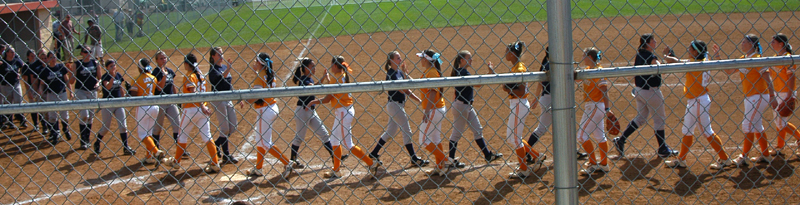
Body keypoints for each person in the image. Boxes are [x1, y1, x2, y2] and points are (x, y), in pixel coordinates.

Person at [661, 40, 731, 169]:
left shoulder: (694, 64)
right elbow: (686, 60)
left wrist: (666, 56)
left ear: (696, 52)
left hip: (698, 101)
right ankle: (681, 159)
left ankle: (724, 158)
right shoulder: (703, 60)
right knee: (687, 130)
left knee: (706, 131)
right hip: (696, 100)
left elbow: (676, 62)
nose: (688, 51)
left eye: (690, 49)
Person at [308, 56, 380, 179]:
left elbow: (327, 99)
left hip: (343, 112)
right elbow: (334, 88)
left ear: (335, 66)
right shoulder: (342, 75)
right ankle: (336, 170)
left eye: (332, 65)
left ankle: (371, 163)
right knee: (335, 141)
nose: (331, 67)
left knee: (348, 144)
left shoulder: (336, 78)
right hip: (345, 110)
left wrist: (313, 102)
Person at [612, 33, 678, 158]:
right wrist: (668, 58)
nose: (655, 42)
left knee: (640, 117)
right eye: (653, 41)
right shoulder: (651, 57)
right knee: (659, 118)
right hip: (651, 92)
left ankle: (621, 139)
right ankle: (662, 148)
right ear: (647, 43)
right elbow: (659, 68)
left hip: (639, 91)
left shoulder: (639, 55)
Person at [721, 34, 777, 166]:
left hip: (758, 96)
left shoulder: (758, 59)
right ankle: (766, 154)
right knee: (757, 126)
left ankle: (744, 156)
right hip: (750, 97)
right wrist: (718, 57)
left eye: (745, 42)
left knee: (747, 125)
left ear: (752, 44)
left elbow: (767, 78)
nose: (742, 44)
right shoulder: (743, 58)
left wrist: (772, 96)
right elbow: (729, 72)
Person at [369, 51, 431, 167]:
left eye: (400, 57)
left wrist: (419, 100)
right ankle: (413, 158)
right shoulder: (391, 74)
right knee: (407, 130)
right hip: (394, 105)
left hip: (398, 105)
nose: (400, 59)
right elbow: (402, 90)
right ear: (391, 61)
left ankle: (373, 153)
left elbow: (407, 90)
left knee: (390, 132)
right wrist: (405, 74)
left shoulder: (399, 73)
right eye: (397, 58)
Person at [525, 47, 588, 162]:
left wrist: (536, 98)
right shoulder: (550, 65)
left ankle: (572, 151)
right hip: (550, 99)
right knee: (544, 129)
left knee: (561, 126)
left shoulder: (547, 64)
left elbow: (540, 83)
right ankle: (526, 151)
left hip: (550, 99)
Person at [161, 54, 220, 173]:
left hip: (191, 109)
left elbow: (193, 92)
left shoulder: (189, 75)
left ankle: (176, 162)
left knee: (182, 135)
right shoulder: (201, 76)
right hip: (202, 110)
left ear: (187, 64)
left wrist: (201, 105)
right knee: (207, 136)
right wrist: (203, 106)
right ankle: (215, 163)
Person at [445, 50, 503, 168]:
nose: (471, 60)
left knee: (478, 130)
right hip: (462, 106)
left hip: (466, 106)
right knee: (456, 134)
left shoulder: (460, 71)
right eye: (468, 58)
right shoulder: (463, 72)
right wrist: (489, 73)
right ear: (462, 60)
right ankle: (450, 159)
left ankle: (487, 155)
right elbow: (478, 84)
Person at [495, 41, 545, 178]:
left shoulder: (519, 69)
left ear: (512, 54)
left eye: (507, 51)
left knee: (514, 138)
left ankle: (524, 169)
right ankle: (536, 155)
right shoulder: (516, 67)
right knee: (514, 137)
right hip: (517, 104)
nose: (505, 54)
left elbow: (521, 91)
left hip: (519, 104)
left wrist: (507, 88)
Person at [242, 53, 295, 177]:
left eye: (256, 61)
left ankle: (287, 162)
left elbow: (256, 96)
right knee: (260, 140)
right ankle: (259, 168)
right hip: (270, 108)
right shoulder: (269, 74)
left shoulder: (260, 76)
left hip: (264, 110)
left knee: (264, 142)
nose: (254, 63)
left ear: (260, 63)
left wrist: (244, 100)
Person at [289, 57, 340, 168]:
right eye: (312, 66)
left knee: (324, 134)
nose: (314, 68)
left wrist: (323, 78)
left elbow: (315, 84)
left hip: (311, 111)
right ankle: (292, 160)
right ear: (306, 68)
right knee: (299, 138)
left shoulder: (309, 78)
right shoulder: (303, 80)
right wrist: (325, 78)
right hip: (302, 111)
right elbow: (313, 87)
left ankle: (334, 156)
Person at [576, 47, 613, 174]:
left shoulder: (598, 71)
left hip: (595, 106)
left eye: (584, 56)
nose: (582, 58)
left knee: (581, 136)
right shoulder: (588, 70)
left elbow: (604, 92)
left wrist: (608, 110)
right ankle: (603, 164)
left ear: (590, 57)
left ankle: (592, 163)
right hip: (593, 107)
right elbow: (576, 78)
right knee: (599, 136)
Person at [415, 49, 449, 176]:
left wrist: (427, 110)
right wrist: (406, 75)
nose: (420, 60)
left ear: (426, 59)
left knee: (423, 140)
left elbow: (433, 92)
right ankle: (440, 166)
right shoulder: (429, 72)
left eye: (421, 58)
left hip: (434, 109)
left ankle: (446, 161)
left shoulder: (432, 72)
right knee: (435, 138)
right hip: (437, 108)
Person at [128, 58, 166, 165]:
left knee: (142, 135)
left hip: (143, 107)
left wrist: (129, 91)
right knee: (149, 133)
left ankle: (156, 152)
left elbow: (134, 94)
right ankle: (149, 157)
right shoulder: (153, 78)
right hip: (154, 107)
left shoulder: (137, 79)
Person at [94, 60, 135, 155]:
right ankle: (97, 142)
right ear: (107, 68)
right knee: (106, 127)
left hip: (118, 103)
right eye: (111, 66)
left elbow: (120, 87)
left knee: (123, 126)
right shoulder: (105, 77)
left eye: (114, 65)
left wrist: (123, 96)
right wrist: (112, 76)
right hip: (107, 104)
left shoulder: (119, 75)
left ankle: (126, 147)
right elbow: (108, 87)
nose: (113, 67)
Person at [208, 47, 240, 164]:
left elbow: (228, 83)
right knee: (225, 128)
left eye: (222, 54)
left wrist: (236, 97)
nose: (221, 56)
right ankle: (226, 154)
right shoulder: (213, 70)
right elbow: (219, 80)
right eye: (218, 54)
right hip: (218, 100)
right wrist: (228, 69)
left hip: (228, 99)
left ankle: (216, 144)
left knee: (233, 126)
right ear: (213, 56)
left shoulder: (224, 67)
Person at [769, 33, 800, 156]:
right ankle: (780, 145)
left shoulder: (788, 58)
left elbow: (791, 77)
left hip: (786, 92)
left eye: (773, 42)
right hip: (777, 92)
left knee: (781, 122)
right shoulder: (775, 57)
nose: (771, 44)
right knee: (779, 120)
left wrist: (789, 95)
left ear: (781, 44)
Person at [151, 51, 182, 156]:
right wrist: (164, 76)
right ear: (156, 61)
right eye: (161, 58)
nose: (163, 60)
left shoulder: (170, 71)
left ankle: (179, 149)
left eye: (164, 58)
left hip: (170, 101)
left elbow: (172, 85)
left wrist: (176, 98)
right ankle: (156, 151)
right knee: (157, 128)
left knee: (177, 124)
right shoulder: (155, 72)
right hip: (159, 102)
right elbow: (159, 87)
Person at [69, 46, 101, 150]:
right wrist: (70, 71)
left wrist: (98, 84)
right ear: (82, 53)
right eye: (85, 52)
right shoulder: (77, 64)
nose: (88, 53)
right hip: (81, 91)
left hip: (92, 91)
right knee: (84, 115)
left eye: (89, 51)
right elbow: (72, 81)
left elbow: (99, 78)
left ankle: (87, 138)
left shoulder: (95, 63)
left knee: (91, 116)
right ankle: (83, 140)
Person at [39, 51, 72, 145]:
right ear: (48, 59)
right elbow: (42, 82)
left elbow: (66, 79)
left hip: (62, 93)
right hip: (51, 94)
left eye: (54, 57)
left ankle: (65, 128)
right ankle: (56, 133)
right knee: (52, 115)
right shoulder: (46, 70)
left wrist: (71, 91)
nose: (53, 59)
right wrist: (40, 90)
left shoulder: (61, 67)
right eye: (51, 57)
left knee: (64, 115)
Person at [0, 47, 28, 129]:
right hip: (5, 85)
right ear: (7, 53)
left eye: (14, 52)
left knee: (18, 100)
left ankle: (21, 118)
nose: (13, 54)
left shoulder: (16, 60)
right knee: (8, 103)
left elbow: (23, 66)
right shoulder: (3, 63)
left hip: (16, 84)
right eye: (11, 52)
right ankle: (10, 121)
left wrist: (20, 73)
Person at [22, 50, 46, 131]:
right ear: (28, 57)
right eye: (31, 56)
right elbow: (26, 80)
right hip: (31, 88)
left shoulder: (39, 65)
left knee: (41, 107)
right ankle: (36, 124)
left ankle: (44, 124)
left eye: (34, 55)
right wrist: (29, 91)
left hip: (40, 87)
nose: (33, 57)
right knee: (33, 107)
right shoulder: (26, 66)